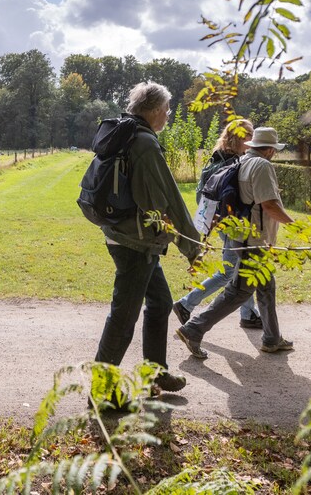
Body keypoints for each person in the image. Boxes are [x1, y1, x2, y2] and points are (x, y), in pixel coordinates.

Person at [93, 82, 199, 398]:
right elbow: (169, 200)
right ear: (154, 111)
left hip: (124, 234)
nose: (167, 115)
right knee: (123, 318)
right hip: (135, 243)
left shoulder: (125, 134)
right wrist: (192, 246)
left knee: (161, 302)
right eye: (166, 109)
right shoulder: (144, 144)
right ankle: (101, 395)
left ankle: (155, 375)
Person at [175, 127, 297, 358]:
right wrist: (294, 224)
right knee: (238, 292)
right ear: (270, 149)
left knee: (266, 288)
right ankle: (194, 329)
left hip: (245, 236)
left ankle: (272, 338)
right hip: (255, 239)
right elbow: (269, 204)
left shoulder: (242, 161)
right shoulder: (262, 165)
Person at [173, 119, 263, 329]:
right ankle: (186, 304)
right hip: (232, 224)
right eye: (250, 136)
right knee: (229, 272)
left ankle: (249, 314)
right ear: (240, 137)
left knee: (240, 268)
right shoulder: (234, 163)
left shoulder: (217, 158)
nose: (252, 141)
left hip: (222, 222)